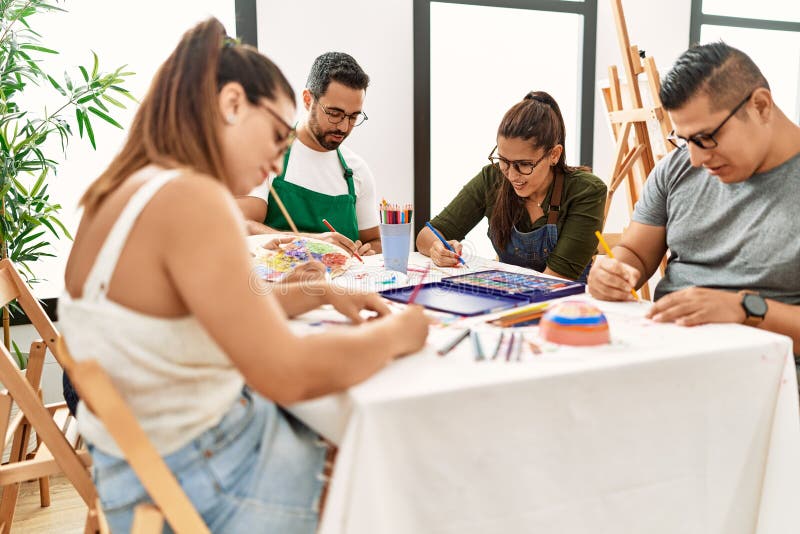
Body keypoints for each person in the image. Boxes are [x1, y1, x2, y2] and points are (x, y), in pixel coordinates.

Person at [58, 19, 428, 533]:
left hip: (138, 473)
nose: (278, 157)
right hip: (202, 477)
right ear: (232, 104)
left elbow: (192, 315)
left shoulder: (127, 188)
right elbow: (288, 370)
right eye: (277, 136)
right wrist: (399, 334)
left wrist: (311, 290)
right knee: (393, 475)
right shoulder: (193, 198)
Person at [587, 42, 800, 359]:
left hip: (763, 376)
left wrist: (745, 309)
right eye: (684, 140)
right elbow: (635, 252)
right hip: (664, 353)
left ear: (760, 106)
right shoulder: (676, 169)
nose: (696, 159)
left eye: (705, 138)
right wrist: (616, 271)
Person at [416, 91, 607, 282]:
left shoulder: (586, 191)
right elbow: (426, 236)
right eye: (504, 161)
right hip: (511, 298)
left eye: (524, 164)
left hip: (567, 306)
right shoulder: (492, 179)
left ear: (554, 155)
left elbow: (556, 280)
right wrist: (437, 248)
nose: (512, 175)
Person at [237, 52, 381, 256]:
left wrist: (370, 250)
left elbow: (374, 241)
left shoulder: (355, 169)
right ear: (307, 99)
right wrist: (312, 243)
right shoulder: (267, 152)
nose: (343, 126)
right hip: (280, 284)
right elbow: (243, 225)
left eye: (353, 116)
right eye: (334, 114)